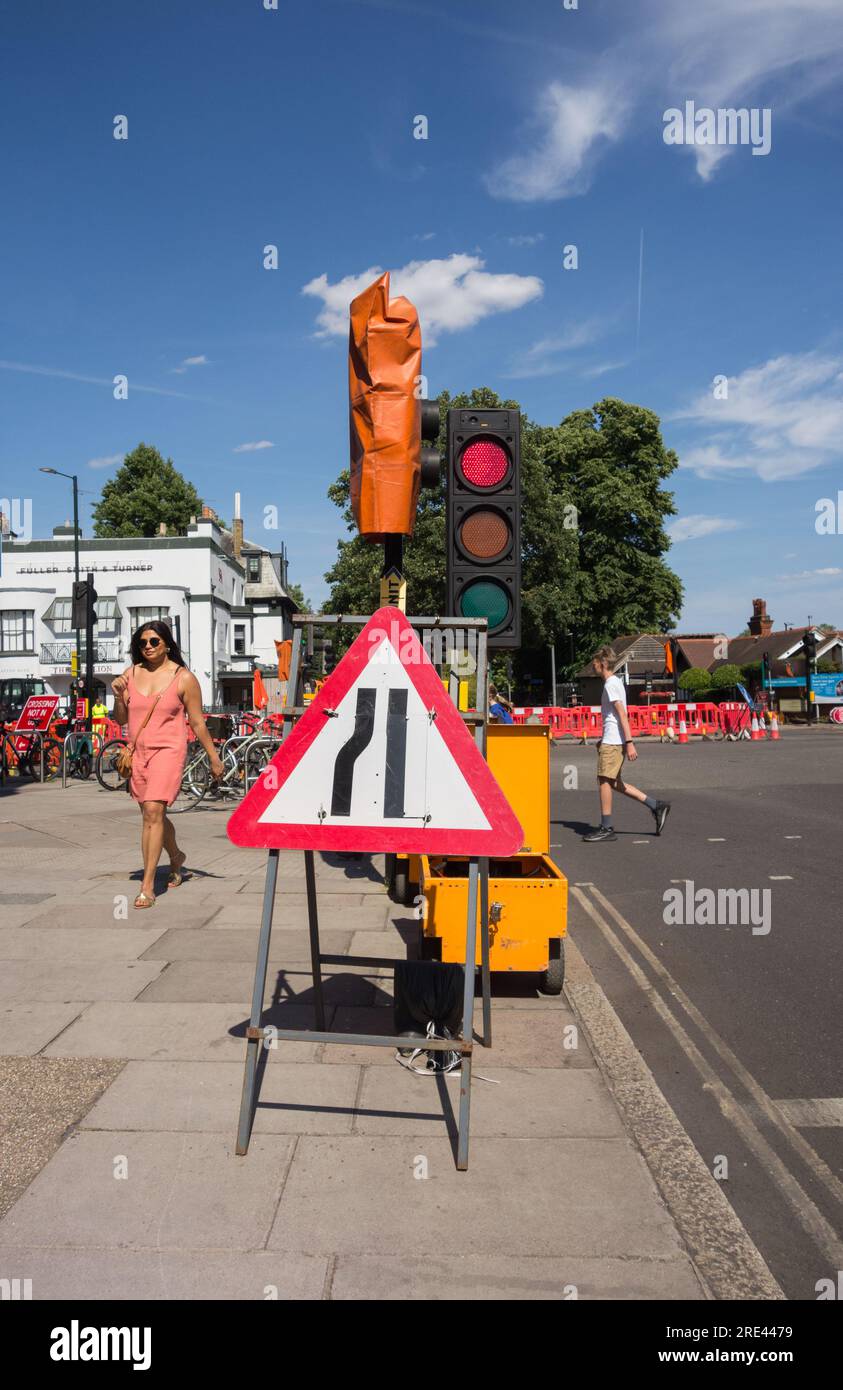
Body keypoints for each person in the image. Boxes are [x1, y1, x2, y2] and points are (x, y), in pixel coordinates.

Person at [111, 621, 224, 908]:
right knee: (153, 816)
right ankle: (176, 857)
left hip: (169, 751)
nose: (148, 646)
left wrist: (214, 757)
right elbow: (121, 719)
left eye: (154, 641)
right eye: (143, 642)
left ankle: (147, 885)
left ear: (167, 644)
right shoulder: (131, 674)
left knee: (152, 811)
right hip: (138, 753)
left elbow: (197, 722)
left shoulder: (183, 678)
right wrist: (116, 696)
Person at [583, 645, 670, 842]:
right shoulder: (615, 682)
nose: (593, 666)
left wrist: (629, 742)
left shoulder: (610, 684)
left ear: (603, 663)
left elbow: (622, 714)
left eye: (595, 662)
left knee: (604, 780)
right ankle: (656, 805)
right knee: (614, 782)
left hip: (614, 742)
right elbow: (613, 716)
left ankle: (606, 827)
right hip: (612, 740)